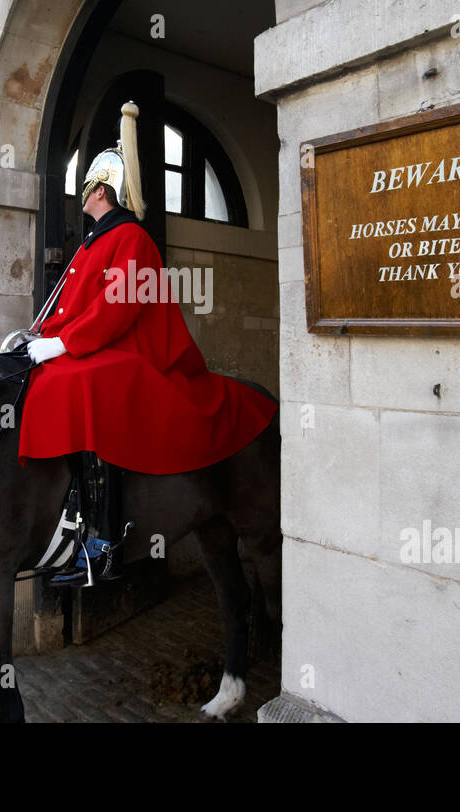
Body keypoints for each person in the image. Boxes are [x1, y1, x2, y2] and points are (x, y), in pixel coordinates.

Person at [18, 102, 278, 587]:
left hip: (137, 353)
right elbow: (72, 304)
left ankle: (100, 540)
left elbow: (117, 310)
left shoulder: (132, 237)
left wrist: (64, 345)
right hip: (95, 345)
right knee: (41, 381)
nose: (82, 197)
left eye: (88, 189)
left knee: (80, 384)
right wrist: (42, 338)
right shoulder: (93, 242)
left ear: (101, 190)